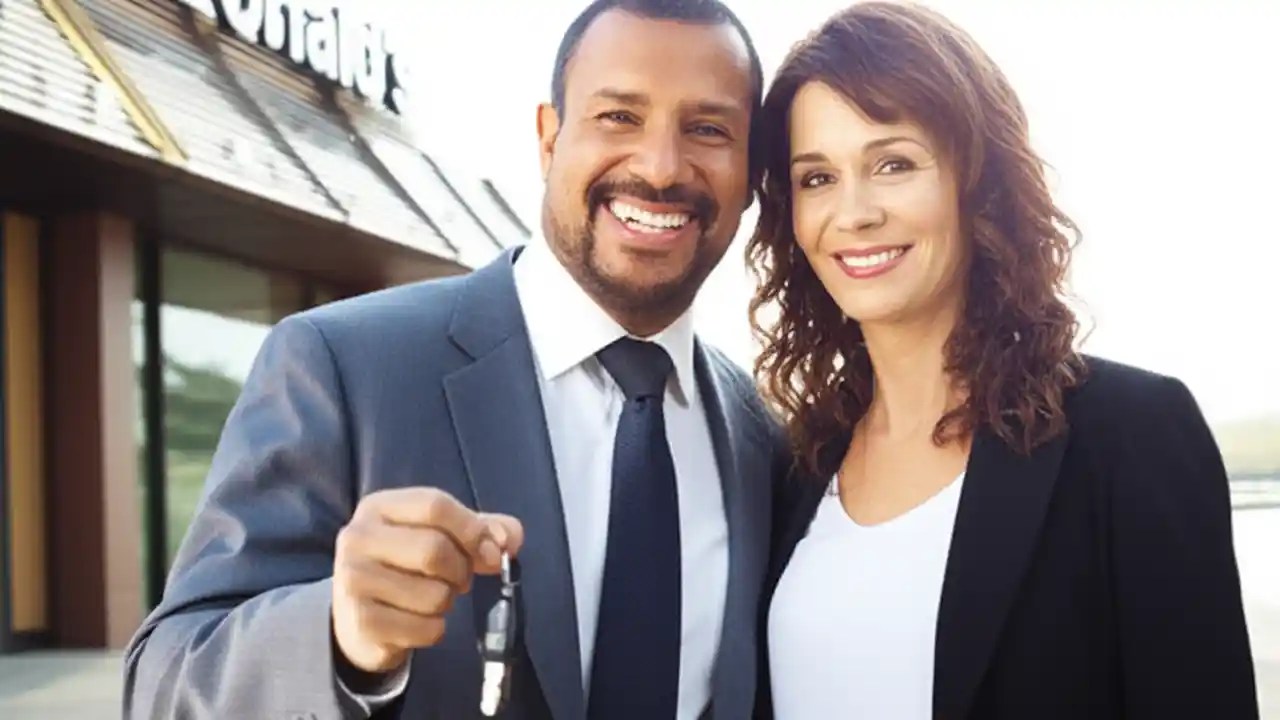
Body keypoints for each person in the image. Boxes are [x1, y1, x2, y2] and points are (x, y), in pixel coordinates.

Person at [123, 1, 786, 718]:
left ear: (750, 174)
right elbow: (164, 684)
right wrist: (339, 637)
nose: (660, 167)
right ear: (548, 138)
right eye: (618, 117)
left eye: (708, 129)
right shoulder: (342, 366)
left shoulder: (760, 438)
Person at [748, 3, 1259, 719]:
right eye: (816, 177)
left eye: (893, 163)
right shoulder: (797, 465)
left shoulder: (1130, 437)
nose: (854, 211)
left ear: (977, 182)